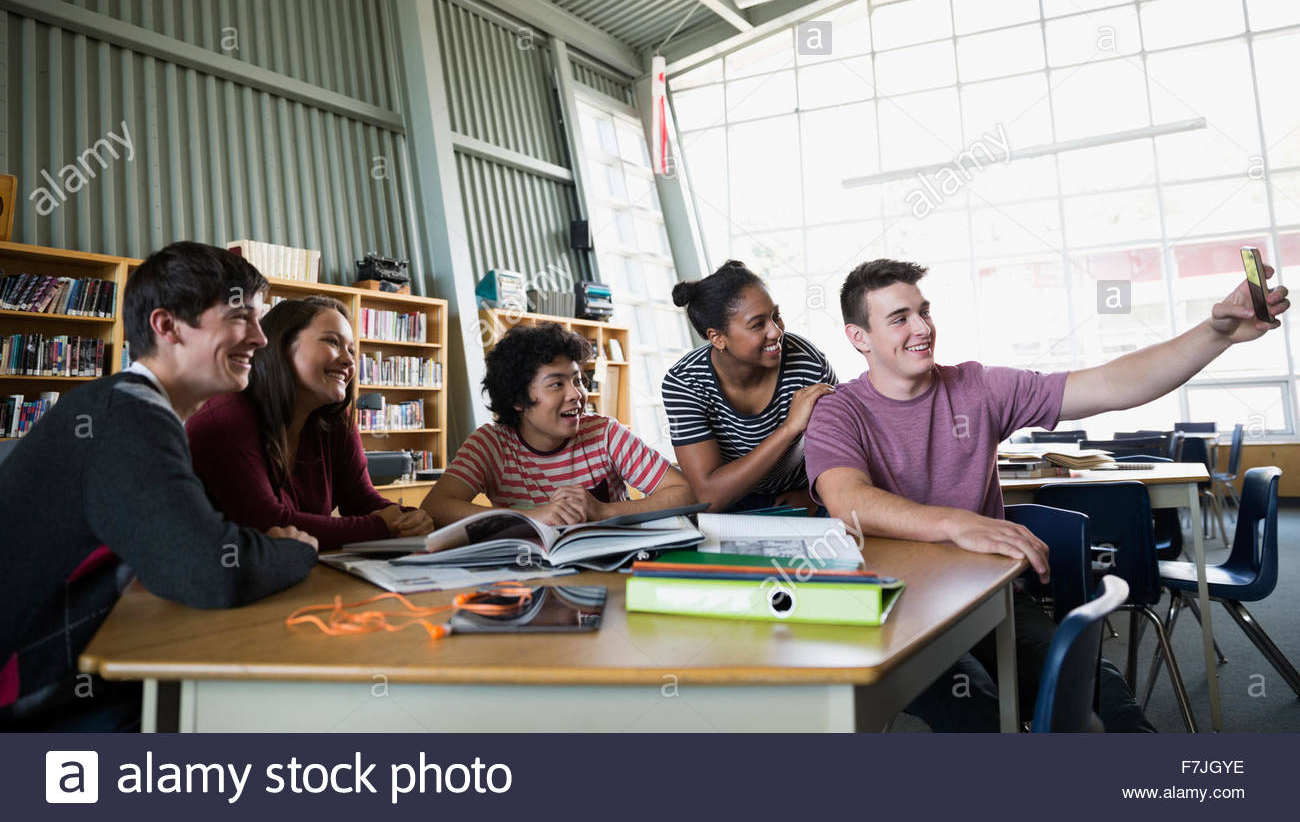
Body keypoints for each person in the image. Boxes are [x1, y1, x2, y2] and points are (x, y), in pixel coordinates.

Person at [804, 258, 1289, 732]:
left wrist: (1215, 333)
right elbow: (849, 500)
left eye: (924, 311)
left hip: (990, 598)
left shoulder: (976, 386)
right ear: (859, 338)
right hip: (896, 608)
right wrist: (955, 523)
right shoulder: (839, 411)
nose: (923, 327)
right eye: (899, 318)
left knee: (1094, 687)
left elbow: (1109, 384)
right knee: (976, 711)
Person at [0, 242, 319, 730]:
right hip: (37, 711)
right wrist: (295, 550)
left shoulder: (127, 406)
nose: (259, 337)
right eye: (241, 317)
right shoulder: (127, 414)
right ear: (166, 325)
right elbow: (208, 571)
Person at [187, 296, 434, 550]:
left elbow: (361, 499)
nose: (349, 361)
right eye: (332, 341)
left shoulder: (335, 419)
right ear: (281, 346)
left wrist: (407, 518)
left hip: (290, 572)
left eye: (351, 350)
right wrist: (382, 526)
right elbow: (268, 525)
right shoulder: (225, 419)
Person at [423, 322, 693, 527]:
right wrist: (531, 517)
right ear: (518, 399)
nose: (576, 394)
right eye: (557, 384)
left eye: (577, 380)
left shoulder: (605, 433)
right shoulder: (491, 444)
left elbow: (684, 493)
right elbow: (436, 506)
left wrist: (603, 511)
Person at [663, 260, 836, 512]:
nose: (776, 332)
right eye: (757, 324)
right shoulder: (685, 383)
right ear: (717, 337)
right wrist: (789, 428)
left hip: (807, 490)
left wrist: (815, 495)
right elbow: (708, 496)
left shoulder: (806, 360)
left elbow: (843, 448)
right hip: (733, 499)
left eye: (776, 315)